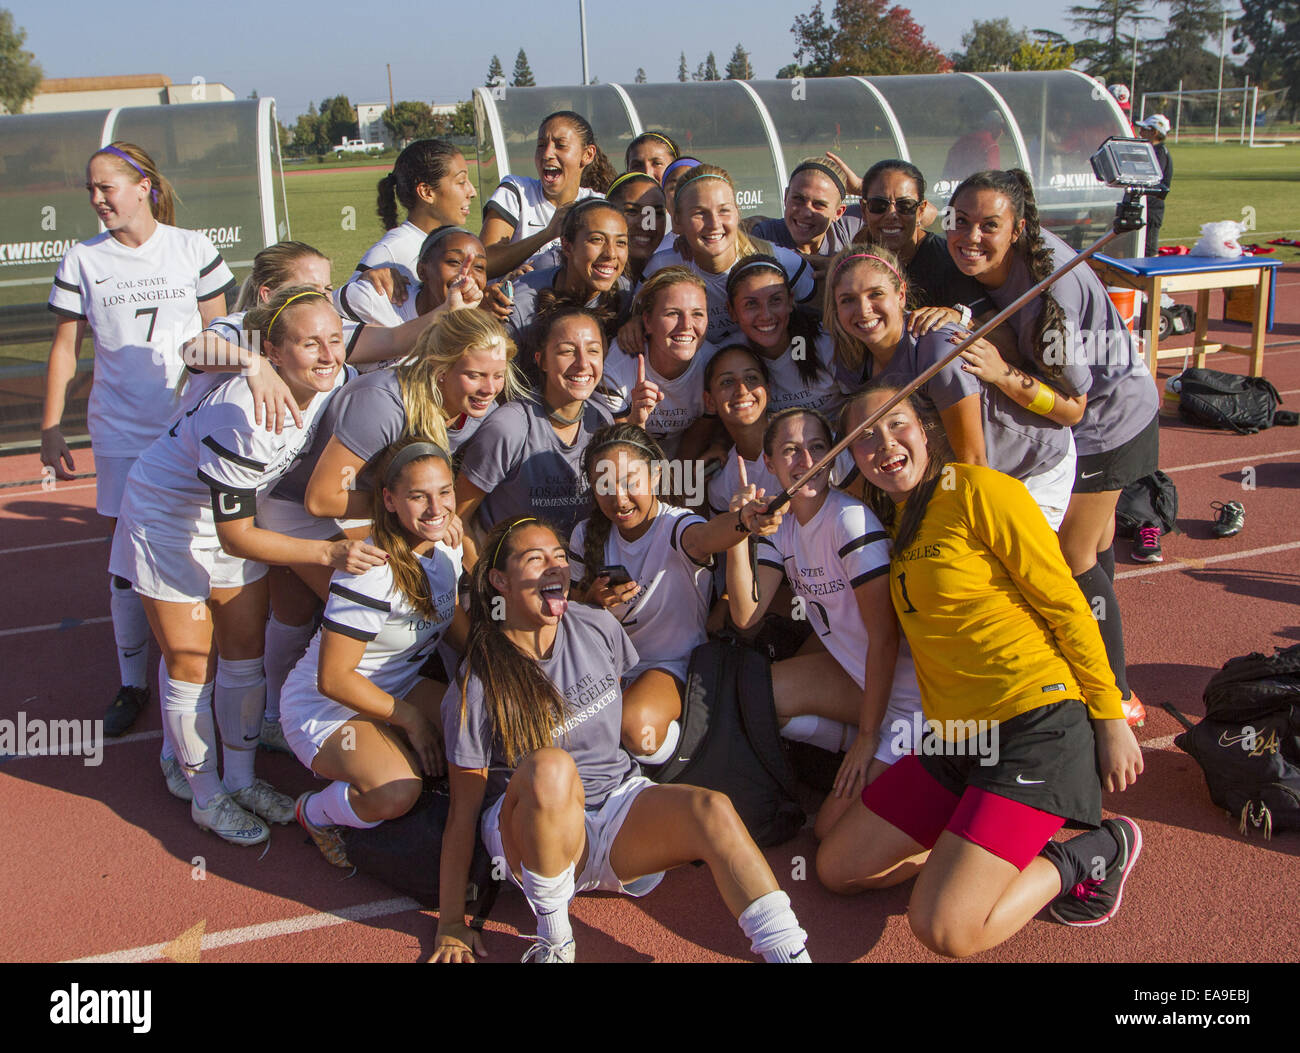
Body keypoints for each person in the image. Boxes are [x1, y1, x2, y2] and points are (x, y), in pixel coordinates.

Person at [816, 383, 1145, 955]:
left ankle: (1091, 852)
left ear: (925, 431)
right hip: (958, 737)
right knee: (836, 868)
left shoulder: (979, 490)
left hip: (1035, 726)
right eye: (864, 438)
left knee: (945, 928)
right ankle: (972, 848)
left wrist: (1110, 713)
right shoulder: (894, 521)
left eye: (896, 426)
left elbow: (1066, 604)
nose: (884, 444)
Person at [432, 515, 811, 963]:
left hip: (615, 808)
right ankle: (555, 942)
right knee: (551, 766)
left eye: (559, 556)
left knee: (713, 808)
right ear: (500, 580)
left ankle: (790, 955)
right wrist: (451, 923)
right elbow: (463, 811)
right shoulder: (479, 680)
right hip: (535, 835)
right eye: (535, 560)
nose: (554, 567)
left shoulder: (597, 626)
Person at [107, 287, 387, 843]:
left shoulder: (334, 382)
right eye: (311, 344)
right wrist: (326, 551)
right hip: (169, 520)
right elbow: (236, 539)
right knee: (192, 664)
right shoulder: (244, 413)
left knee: (243, 656)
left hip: (233, 517)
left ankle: (240, 777)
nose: (330, 355)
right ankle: (206, 796)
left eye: (335, 340)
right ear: (276, 353)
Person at [946, 169, 1157, 724]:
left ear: (1016, 230)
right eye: (960, 221)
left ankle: (1116, 694)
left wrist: (999, 371)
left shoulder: (1047, 294)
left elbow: (1076, 402)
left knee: (1073, 552)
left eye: (988, 226)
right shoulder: (1002, 256)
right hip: (1099, 415)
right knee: (1099, 541)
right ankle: (1097, 656)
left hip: (1109, 420)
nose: (970, 236)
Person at [42, 141, 237, 739]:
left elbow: (221, 336)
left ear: (145, 186)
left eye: (108, 187)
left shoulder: (192, 248)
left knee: (214, 548)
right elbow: (65, 349)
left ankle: (226, 668)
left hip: (190, 426)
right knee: (127, 564)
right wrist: (50, 426)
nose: (98, 199)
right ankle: (132, 682)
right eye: (91, 189)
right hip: (121, 432)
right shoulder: (83, 260)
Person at [724, 408, 923, 836]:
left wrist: (872, 735)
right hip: (861, 683)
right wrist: (738, 531)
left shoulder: (848, 521)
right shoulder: (784, 527)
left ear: (833, 457)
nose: (806, 460)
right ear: (771, 464)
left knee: (828, 834)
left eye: (818, 447)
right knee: (761, 697)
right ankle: (855, 749)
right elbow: (745, 615)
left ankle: (881, 752)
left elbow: (886, 639)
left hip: (908, 701)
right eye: (791, 451)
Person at [284, 440, 467, 865]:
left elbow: (452, 620)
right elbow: (333, 679)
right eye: (418, 496)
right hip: (325, 707)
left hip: (397, 686)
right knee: (398, 792)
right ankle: (315, 812)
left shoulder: (446, 546)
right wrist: (412, 721)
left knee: (478, 724)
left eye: (444, 492)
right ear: (388, 499)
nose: (435, 508)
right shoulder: (370, 572)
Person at [825, 246, 1083, 530]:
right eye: (847, 300)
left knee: (1006, 561)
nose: (863, 310)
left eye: (876, 294)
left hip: (1029, 464)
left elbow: (974, 461)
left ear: (900, 294)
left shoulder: (936, 347)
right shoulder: (851, 361)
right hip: (961, 471)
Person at [569, 424, 757, 766]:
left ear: (656, 476)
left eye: (630, 481)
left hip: (673, 665)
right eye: (606, 485)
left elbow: (708, 536)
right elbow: (570, 609)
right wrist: (591, 602)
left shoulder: (677, 526)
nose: (620, 498)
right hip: (604, 670)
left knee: (636, 730)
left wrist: (743, 520)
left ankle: (695, 749)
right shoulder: (584, 534)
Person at [306, 308, 523, 525]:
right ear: (442, 368)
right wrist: (422, 509)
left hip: (385, 508)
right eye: (474, 376)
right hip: (303, 509)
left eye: (498, 376)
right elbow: (322, 499)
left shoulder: (482, 410)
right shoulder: (383, 404)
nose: (489, 389)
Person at [455, 306, 615, 563]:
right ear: (541, 360)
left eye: (593, 350)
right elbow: (457, 518)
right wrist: (485, 588)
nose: (583, 363)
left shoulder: (602, 422)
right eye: (567, 351)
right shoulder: (509, 426)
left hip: (571, 578)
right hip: (508, 580)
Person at [641, 165, 815, 348]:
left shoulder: (779, 263)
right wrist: (632, 325)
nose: (714, 224)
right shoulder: (662, 267)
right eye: (700, 213)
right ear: (678, 219)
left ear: (737, 212)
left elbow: (821, 318)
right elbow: (639, 321)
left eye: (724, 211)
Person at [829, 156, 988, 317]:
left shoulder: (945, 263)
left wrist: (958, 317)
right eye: (879, 205)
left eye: (905, 206)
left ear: (920, 211)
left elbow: (999, 332)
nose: (891, 214)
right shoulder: (859, 251)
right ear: (864, 210)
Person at [493, 199, 631, 379]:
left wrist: (634, 322)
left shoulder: (624, 292)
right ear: (566, 245)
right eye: (597, 240)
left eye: (621, 242)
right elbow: (494, 378)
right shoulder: (521, 303)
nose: (611, 253)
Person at [597, 266, 717, 458]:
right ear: (647, 321)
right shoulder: (615, 369)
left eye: (697, 314)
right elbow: (624, 455)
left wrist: (677, 484)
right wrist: (636, 421)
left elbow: (696, 439)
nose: (686, 325)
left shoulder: (714, 366)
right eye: (672, 313)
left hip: (679, 462)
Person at [479, 111, 611, 278]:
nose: (547, 154)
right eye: (541, 145)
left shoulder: (599, 205)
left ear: (588, 154)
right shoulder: (516, 191)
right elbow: (483, 263)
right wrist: (547, 234)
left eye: (560, 145)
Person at [342, 139, 477, 292]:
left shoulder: (454, 242)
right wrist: (364, 279)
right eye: (461, 181)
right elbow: (338, 309)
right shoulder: (388, 253)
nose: (472, 192)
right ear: (426, 192)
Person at [727, 254, 844, 418]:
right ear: (731, 311)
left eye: (775, 300)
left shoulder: (824, 342)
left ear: (790, 301)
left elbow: (860, 402)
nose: (766, 315)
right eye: (751, 304)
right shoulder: (730, 357)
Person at [335, 226, 488, 330]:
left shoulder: (480, 331)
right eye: (454, 262)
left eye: (479, 267)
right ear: (422, 271)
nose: (467, 276)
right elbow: (316, 308)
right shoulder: (378, 299)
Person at [748, 158, 862, 258]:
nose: (805, 212)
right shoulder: (764, 237)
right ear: (786, 197)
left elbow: (878, 210)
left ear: (838, 213)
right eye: (798, 199)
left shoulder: (847, 229)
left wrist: (860, 187)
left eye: (819, 204)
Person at [605, 171, 669, 284]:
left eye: (656, 213)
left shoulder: (675, 268)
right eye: (632, 211)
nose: (645, 224)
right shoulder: (589, 274)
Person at [1134, 115, 1172, 257]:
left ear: (1155, 132)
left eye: (1144, 129)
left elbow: (1153, 180)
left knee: (1149, 250)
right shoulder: (1152, 150)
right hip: (1146, 206)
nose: (1141, 132)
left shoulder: (1159, 152)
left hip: (1152, 208)